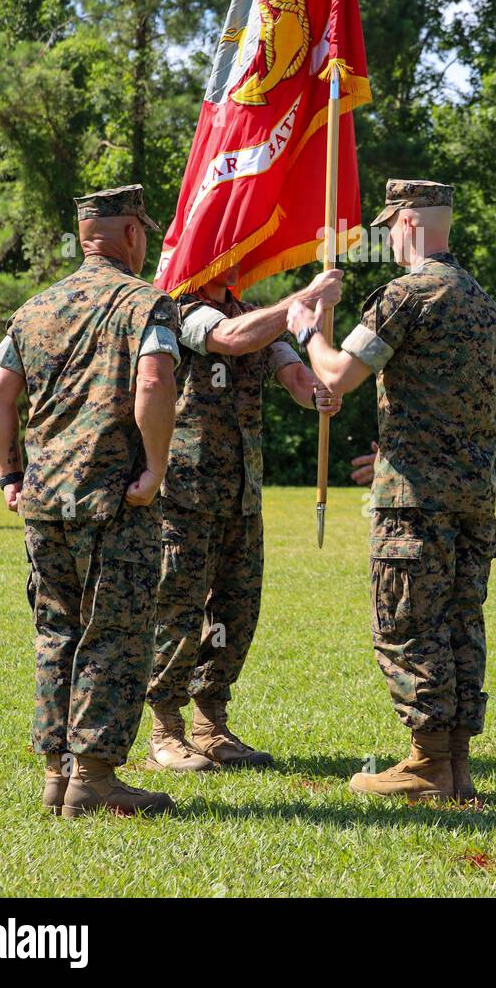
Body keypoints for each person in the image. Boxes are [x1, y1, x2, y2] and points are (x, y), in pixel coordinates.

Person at [287, 179, 496, 803]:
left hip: (415, 500)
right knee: (459, 621)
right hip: (469, 497)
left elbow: (336, 374)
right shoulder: (483, 302)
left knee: (406, 624)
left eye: (388, 226)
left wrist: (307, 326)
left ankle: (426, 765)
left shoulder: (407, 295)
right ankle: (455, 766)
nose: (384, 237)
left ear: (407, 222)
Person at [0, 185, 181, 819]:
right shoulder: (147, 305)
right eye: (144, 231)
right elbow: (153, 380)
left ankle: (56, 773)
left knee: (56, 632)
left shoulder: (34, 309)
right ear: (130, 235)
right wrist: (154, 467)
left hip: (44, 502)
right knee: (116, 636)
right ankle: (94, 781)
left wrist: (10, 475)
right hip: (113, 500)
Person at [145, 262, 343, 773]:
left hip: (241, 495)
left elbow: (293, 372)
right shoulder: (177, 310)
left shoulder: (255, 314)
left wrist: (317, 392)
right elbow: (230, 340)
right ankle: (165, 730)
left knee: (236, 610)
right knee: (180, 609)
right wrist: (303, 298)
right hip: (186, 492)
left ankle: (212, 724)